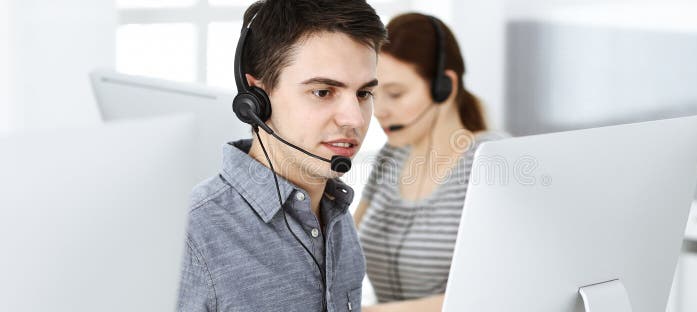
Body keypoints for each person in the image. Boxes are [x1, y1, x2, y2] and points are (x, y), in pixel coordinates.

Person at [177, 0, 386, 311]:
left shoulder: (337, 219)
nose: (354, 119)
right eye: (323, 92)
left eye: (363, 93)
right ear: (256, 99)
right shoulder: (192, 237)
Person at [354, 13, 507, 311]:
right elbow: (342, 244)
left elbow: (499, 290)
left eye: (396, 94)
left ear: (444, 87)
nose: (380, 111)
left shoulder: (490, 160)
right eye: (373, 94)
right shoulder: (390, 156)